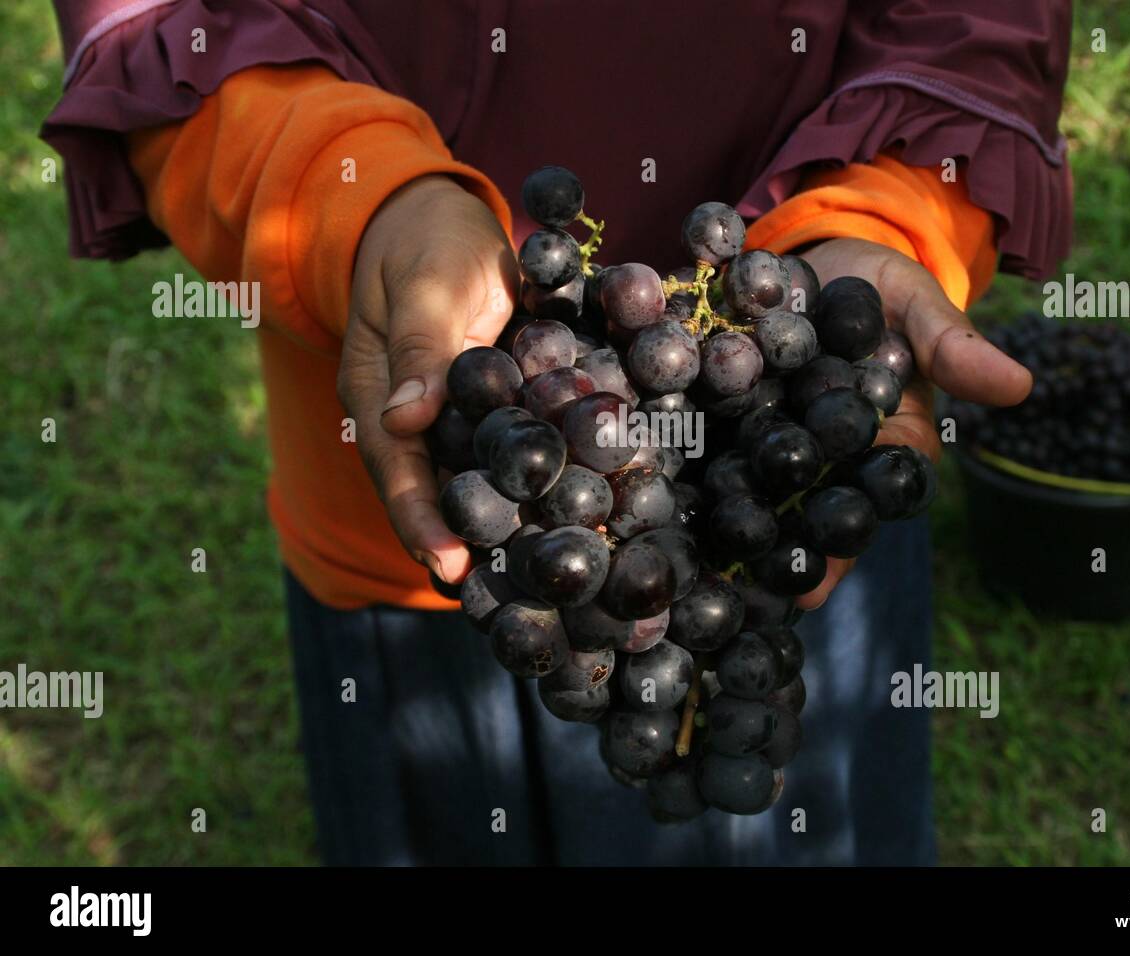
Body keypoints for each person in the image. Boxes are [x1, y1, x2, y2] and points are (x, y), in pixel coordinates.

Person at [42, 0, 1072, 865]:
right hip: (425, 518)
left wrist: (891, 208)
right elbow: (168, 27)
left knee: (758, 727)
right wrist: (360, 202)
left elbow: (971, 22)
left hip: (769, 489)